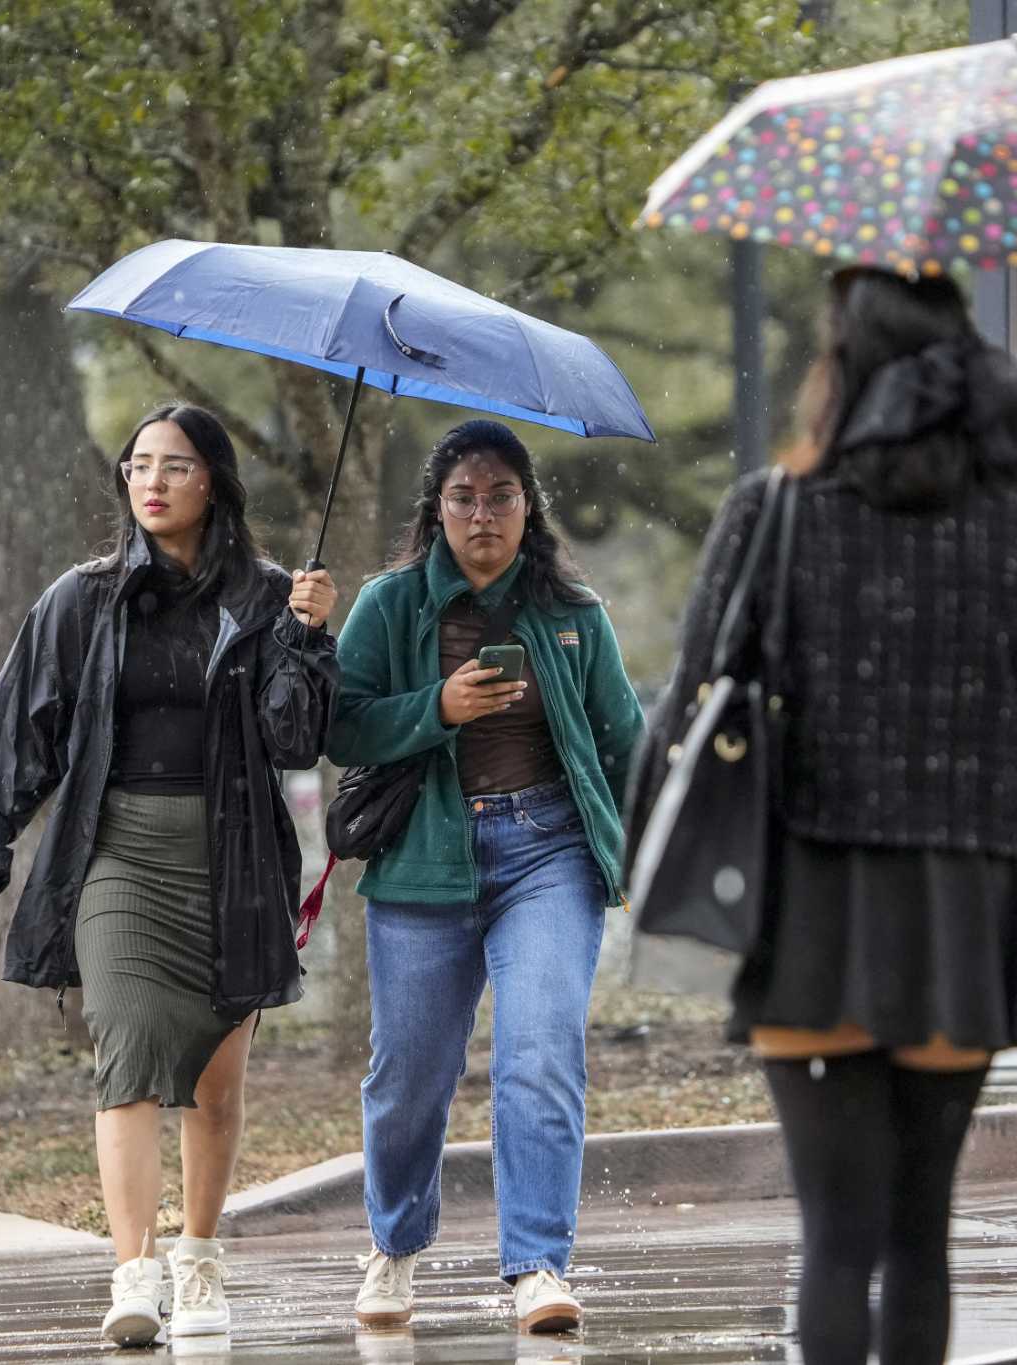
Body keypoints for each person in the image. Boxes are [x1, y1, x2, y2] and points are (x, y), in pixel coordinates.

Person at [643, 268, 1017, 1365]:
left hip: (805, 907)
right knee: (918, 1239)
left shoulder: (771, 514)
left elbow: (688, 708)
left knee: (833, 1242)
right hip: (964, 913)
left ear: (838, 374)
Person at [0, 402, 339, 1347]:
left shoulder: (269, 596)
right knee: (121, 1049)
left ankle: (199, 1260)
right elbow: (15, 736)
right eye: (137, 465)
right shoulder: (80, 600)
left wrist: (309, 638)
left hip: (233, 852)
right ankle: (132, 1270)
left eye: (175, 466)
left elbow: (295, 740)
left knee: (214, 1080)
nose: (151, 481)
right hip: (115, 847)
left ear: (214, 483)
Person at [325, 419, 646, 1335]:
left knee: (539, 1053)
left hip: (548, 853)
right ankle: (392, 1245)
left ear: (527, 508)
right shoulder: (389, 606)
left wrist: (659, 848)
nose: (483, 514)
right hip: (424, 859)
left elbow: (625, 742)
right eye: (463, 496)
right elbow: (339, 726)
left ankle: (538, 1265)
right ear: (437, 510)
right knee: (409, 1077)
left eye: (502, 495)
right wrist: (439, 706)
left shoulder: (572, 612)